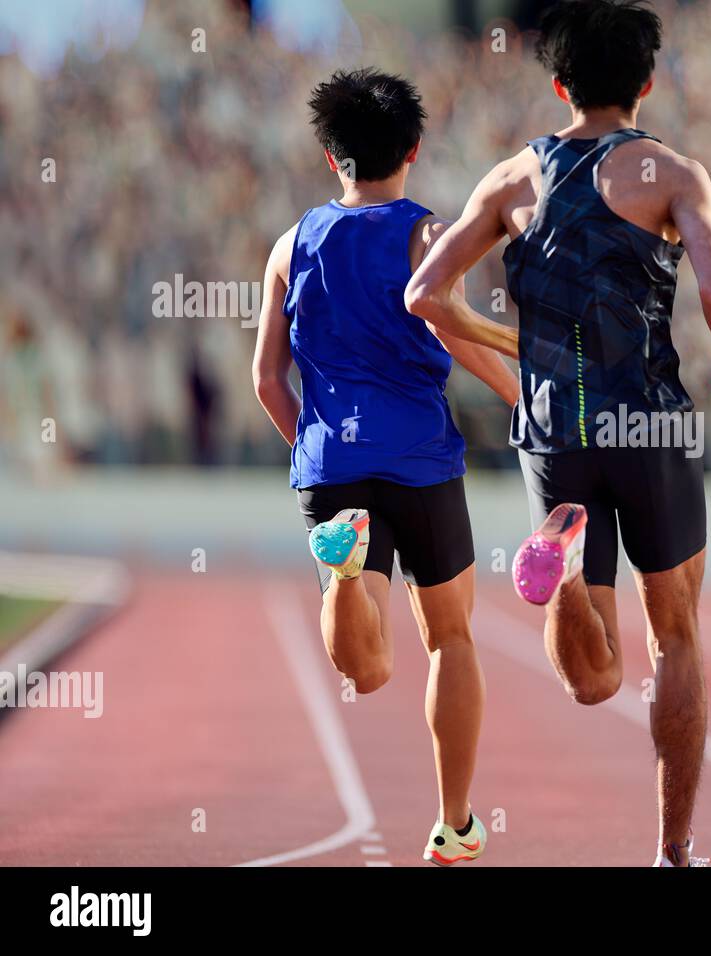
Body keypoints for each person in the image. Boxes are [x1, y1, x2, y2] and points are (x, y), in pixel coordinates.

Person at [405, 0, 711, 866]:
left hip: (557, 428)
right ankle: (673, 851)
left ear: (558, 84)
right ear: (647, 82)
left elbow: (425, 299)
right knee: (675, 637)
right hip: (649, 421)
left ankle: (557, 564)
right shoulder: (673, 174)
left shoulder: (512, 179)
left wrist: (512, 358)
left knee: (592, 681)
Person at [251, 67, 518, 865]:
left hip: (333, 459)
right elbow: (455, 330)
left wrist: (311, 443)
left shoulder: (289, 243)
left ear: (331, 156)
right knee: (451, 641)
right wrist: (517, 392)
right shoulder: (426, 234)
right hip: (420, 459)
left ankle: (343, 572)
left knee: (364, 668)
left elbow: (265, 379)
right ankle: (456, 822)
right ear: (414, 147)